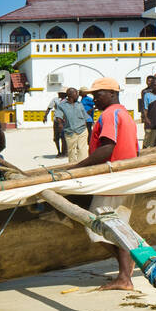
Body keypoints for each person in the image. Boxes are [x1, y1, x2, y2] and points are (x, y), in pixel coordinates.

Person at [67, 78, 140, 291]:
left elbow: (107, 149)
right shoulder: (124, 113)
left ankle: (125, 275)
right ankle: (125, 268)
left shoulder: (110, 115)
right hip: (124, 176)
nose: (94, 99)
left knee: (101, 228)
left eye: (98, 94)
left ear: (111, 93)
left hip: (114, 177)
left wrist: (78, 167)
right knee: (115, 225)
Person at [55, 88, 90, 163]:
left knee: (82, 149)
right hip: (70, 131)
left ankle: (83, 165)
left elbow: (85, 116)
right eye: (76, 93)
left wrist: (86, 126)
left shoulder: (79, 104)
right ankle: (73, 166)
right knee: (71, 152)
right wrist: (60, 124)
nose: (78, 95)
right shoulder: (62, 105)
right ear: (70, 95)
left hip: (82, 130)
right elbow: (58, 116)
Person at [49, 90, 67, 157]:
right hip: (56, 121)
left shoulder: (68, 101)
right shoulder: (55, 100)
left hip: (65, 121)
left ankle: (64, 152)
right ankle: (58, 152)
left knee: (64, 137)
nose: (58, 94)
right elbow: (49, 107)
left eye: (60, 93)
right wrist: (45, 116)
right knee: (56, 137)